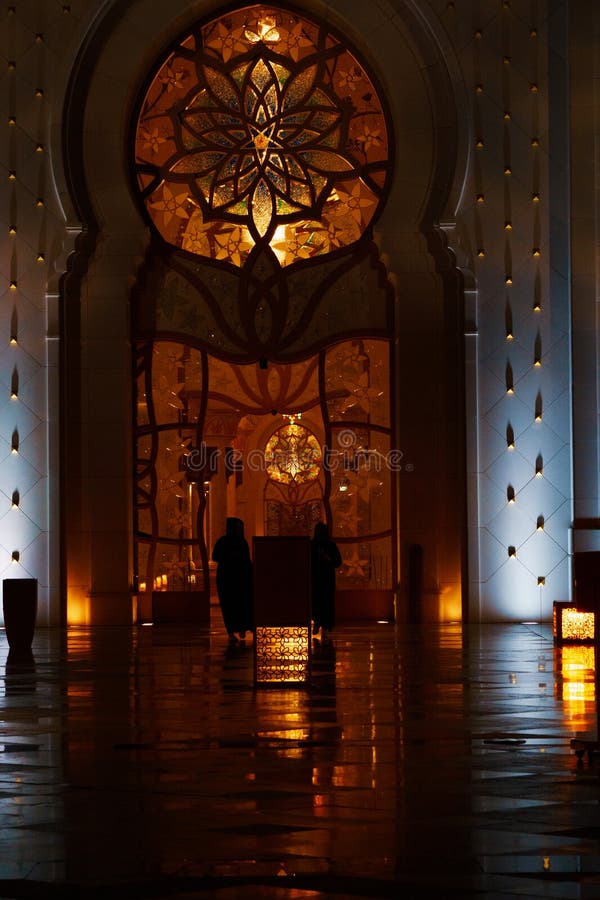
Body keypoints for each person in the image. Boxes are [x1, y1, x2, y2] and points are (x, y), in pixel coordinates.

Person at [212, 517, 253, 642]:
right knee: (229, 605)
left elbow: (246, 560)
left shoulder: (242, 542)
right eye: (237, 528)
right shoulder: (223, 542)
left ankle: (242, 628)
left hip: (240, 579)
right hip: (227, 579)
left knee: (242, 604)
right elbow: (215, 556)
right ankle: (231, 631)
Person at [310, 522, 342, 638]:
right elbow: (337, 562)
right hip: (322, 579)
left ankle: (321, 624)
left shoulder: (316, 545)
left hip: (321, 580)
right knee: (321, 602)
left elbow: (337, 562)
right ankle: (322, 624)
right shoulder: (327, 545)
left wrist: (327, 559)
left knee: (321, 602)